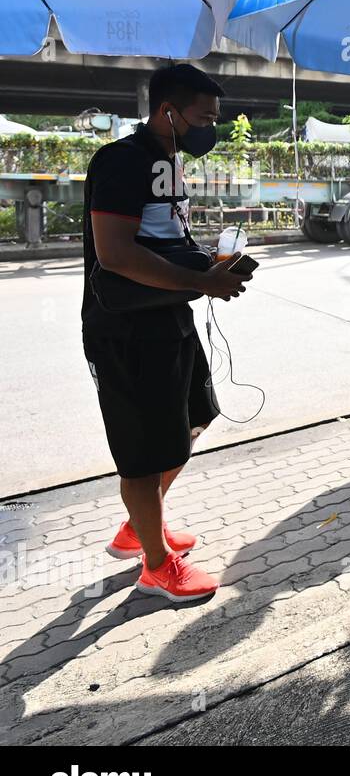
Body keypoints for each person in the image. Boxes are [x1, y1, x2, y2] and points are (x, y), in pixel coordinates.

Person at [84, 63, 250, 602]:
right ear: (168, 111)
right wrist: (202, 280)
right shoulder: (120, 162)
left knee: (194, 419)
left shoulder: (167, 161)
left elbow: (162, 238)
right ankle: (157, 567)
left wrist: (213, 263)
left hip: (170, 315)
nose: (210, 128)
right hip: (127, 329)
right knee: (141, 451)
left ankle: (141, 526)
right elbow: (116, 253)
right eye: (204, 117)